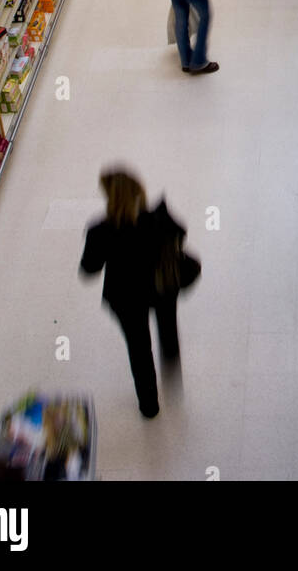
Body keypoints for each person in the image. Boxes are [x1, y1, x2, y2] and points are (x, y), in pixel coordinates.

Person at [80, 170, 196, 418]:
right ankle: (172, 372)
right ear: (139, 191)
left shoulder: (100, 230)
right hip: (162, 287)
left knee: (139, 348)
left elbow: (89, 270)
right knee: (167, 328)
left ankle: (149, 405)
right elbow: (181, 235)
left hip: (125, 297)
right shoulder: (159, 217)